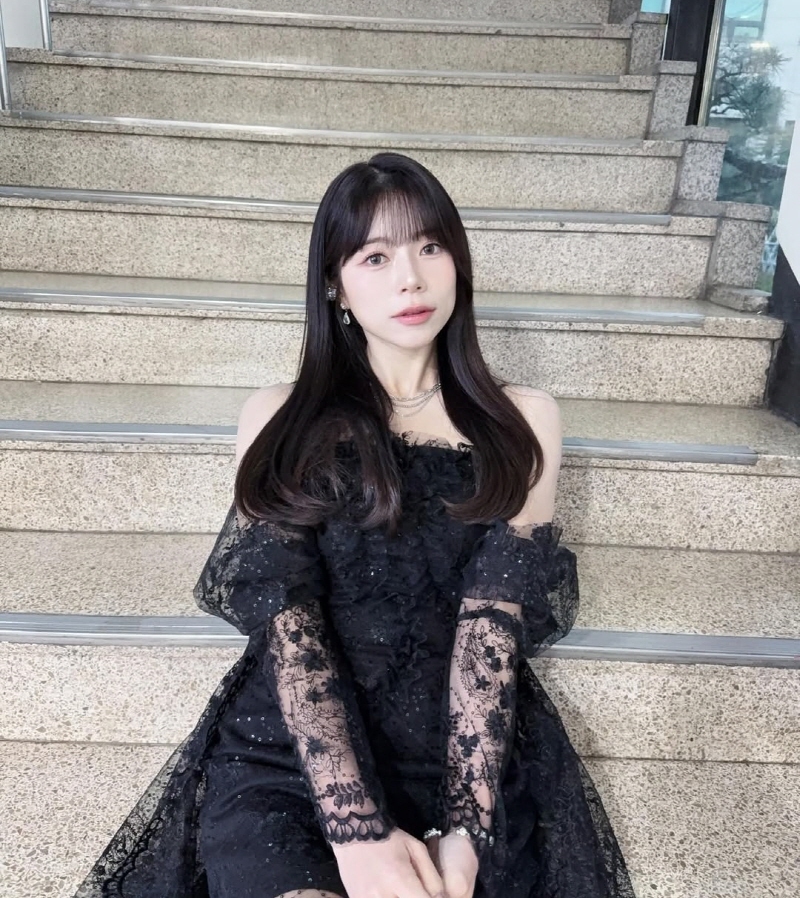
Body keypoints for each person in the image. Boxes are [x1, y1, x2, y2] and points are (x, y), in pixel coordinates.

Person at [72, 152, 636, 898]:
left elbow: (492, 629)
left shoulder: (523, 419)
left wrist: (467, 831)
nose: (411, 279)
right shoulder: (281, 416)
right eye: (376, 257)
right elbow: (288, 620)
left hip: (462, 751)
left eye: (430, 247)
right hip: (296, 749)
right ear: (335, 283)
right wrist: (356, 828)